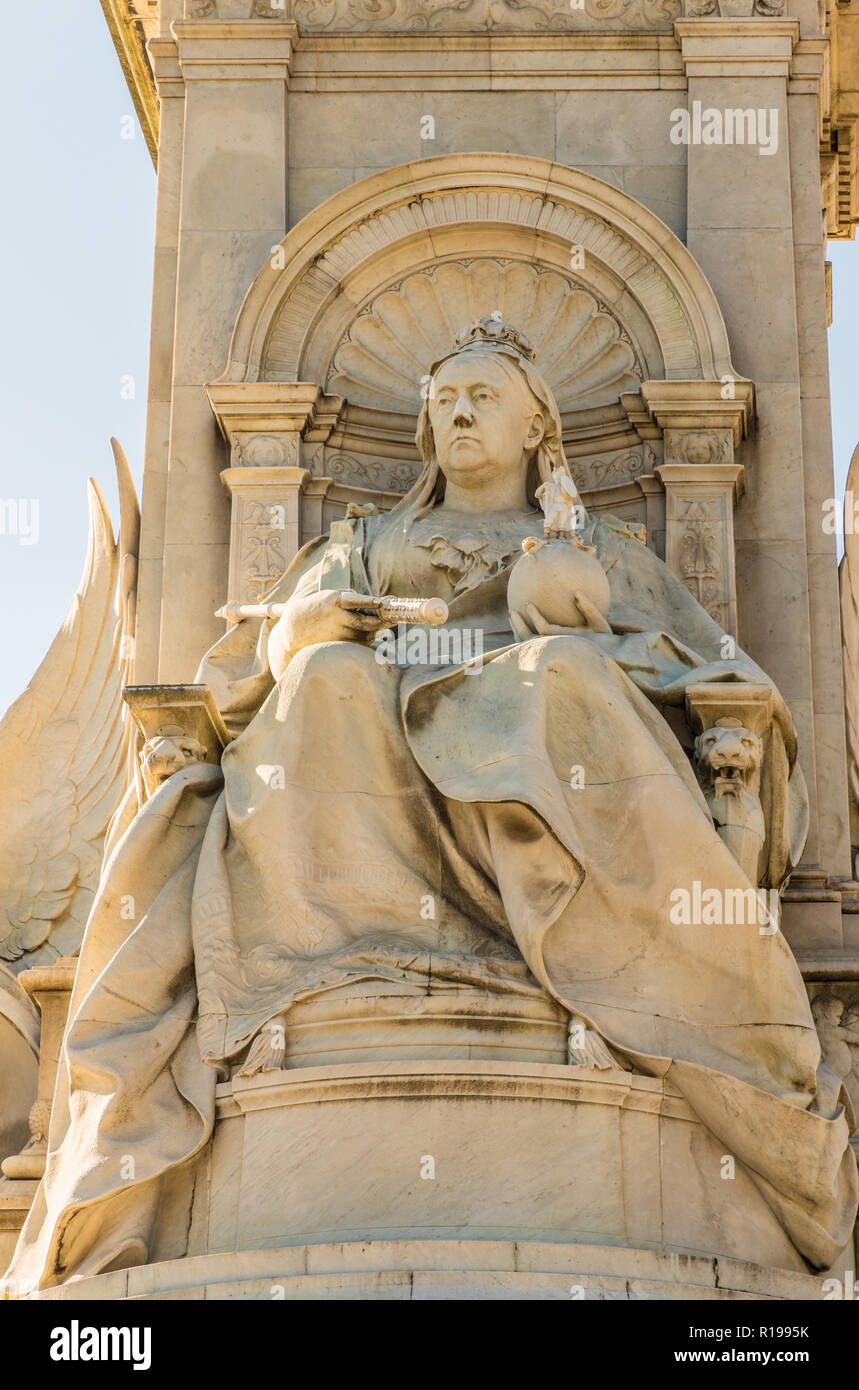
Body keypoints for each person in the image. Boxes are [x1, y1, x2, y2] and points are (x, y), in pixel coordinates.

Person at [6, 317, 856, 1291]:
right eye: (444, 398)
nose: (457, 411)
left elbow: (711, 669)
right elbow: (241, 666)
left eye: (482, 396)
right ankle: (338, 971)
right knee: (325, 678)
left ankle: (584, 955)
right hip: (371, 737)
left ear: (538, 428)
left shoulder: (598, 546)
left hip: (533, 743)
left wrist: (578, 630)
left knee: (557, 681)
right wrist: (296, 639)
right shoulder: (363, 545)